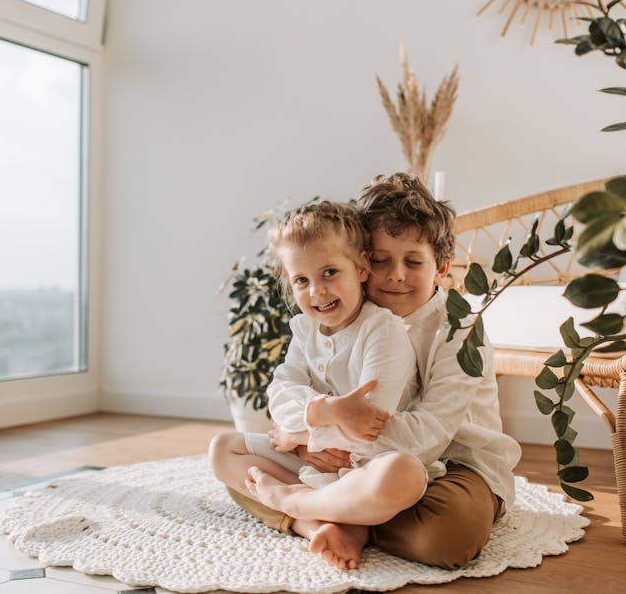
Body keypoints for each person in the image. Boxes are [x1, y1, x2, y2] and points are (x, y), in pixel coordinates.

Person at [220, 174, 522, 571]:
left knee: (447, 538)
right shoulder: (343, 318)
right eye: (381, 260)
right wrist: (317, 427)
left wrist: (311, 436)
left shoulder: (458, 328)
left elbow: (429, 434)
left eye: (413, 262)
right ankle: (338, 518)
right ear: (362, 263)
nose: (395, 274)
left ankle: (303, 507)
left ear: (441, 269)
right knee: (228, 457)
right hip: (360, 470)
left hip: (455, 465)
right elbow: (286, 391)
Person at [209, 200, 429, 532]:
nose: (317, 290)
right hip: (311, 461)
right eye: (301, 280)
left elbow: (368, 426)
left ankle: (298, 506)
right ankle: (319, 524)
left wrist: (297, 436)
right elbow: (280, 397)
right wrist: (322, 413)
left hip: (365, 466)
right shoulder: (305, 330)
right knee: (222, 450)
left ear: (361, 267)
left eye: (329, 273)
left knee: (403, 475)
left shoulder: (382, 329)